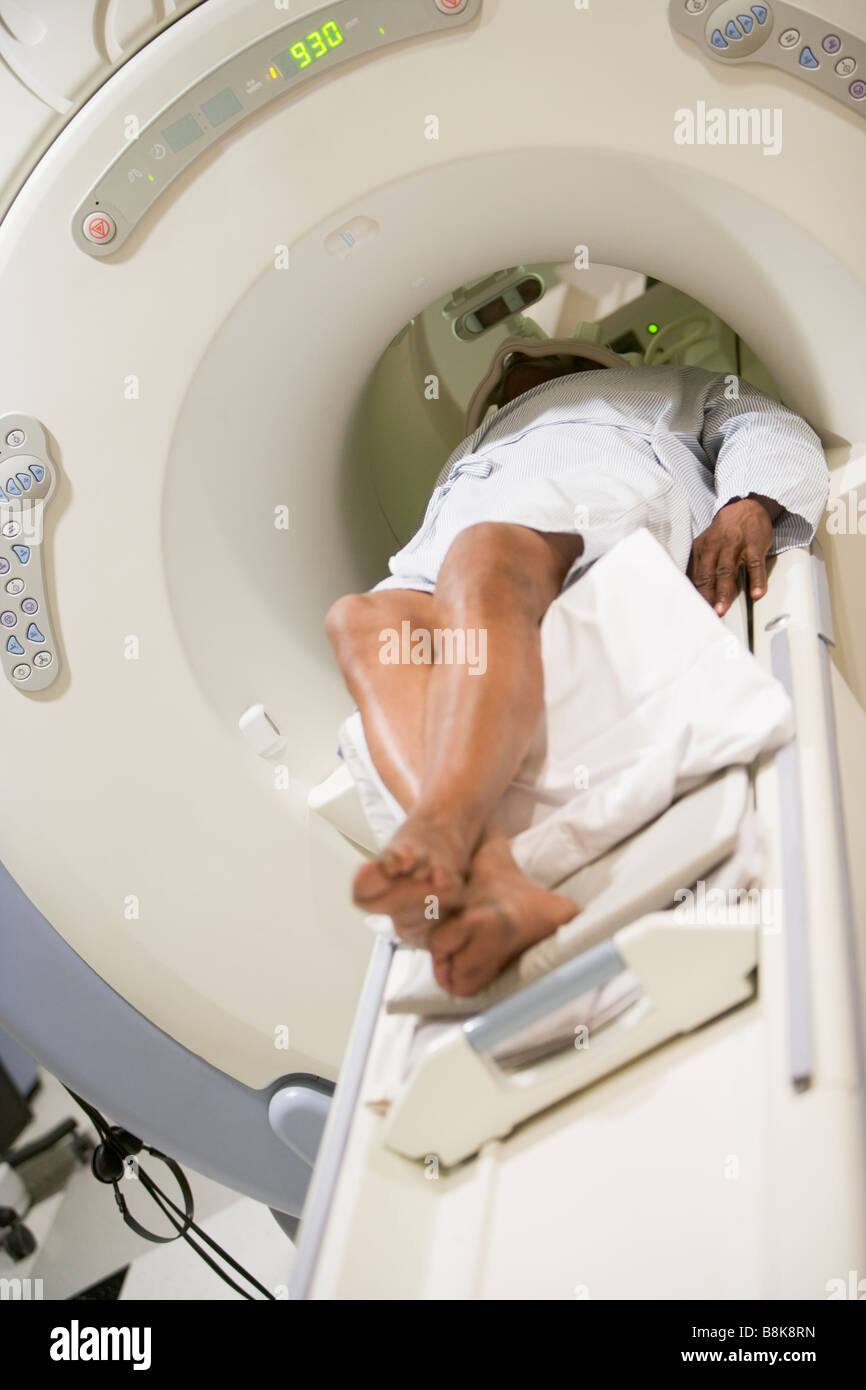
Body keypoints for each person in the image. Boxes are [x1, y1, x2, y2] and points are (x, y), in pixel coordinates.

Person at [325, 348, 829, 997]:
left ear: (589, 361)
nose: (515, 369)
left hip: (588, 503)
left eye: (537, 360)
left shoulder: (663, 384)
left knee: (483, 550)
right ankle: (495, 881)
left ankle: (445, 827)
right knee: (359, 618)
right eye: (506, 381)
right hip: (445, 562)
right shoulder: (465, 460)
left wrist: (749, 503)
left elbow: (765, 424)